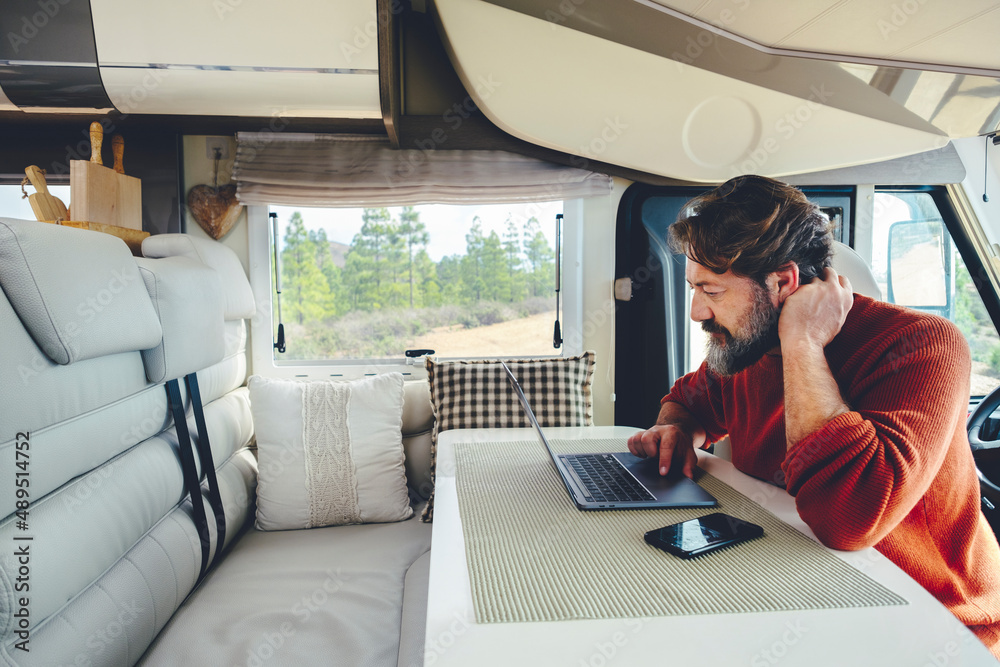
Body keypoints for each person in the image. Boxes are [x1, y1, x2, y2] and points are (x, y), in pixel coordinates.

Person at [626, 174, 1000, 656]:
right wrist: (674, 430)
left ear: (782, 283)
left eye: (713, 292)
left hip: (938, 625)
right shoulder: (748, 344)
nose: (697, 311)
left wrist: (803, 342)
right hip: (810, 588)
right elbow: (691, 401)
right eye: (693, 289)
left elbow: (849, 521)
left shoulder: (925, 346)